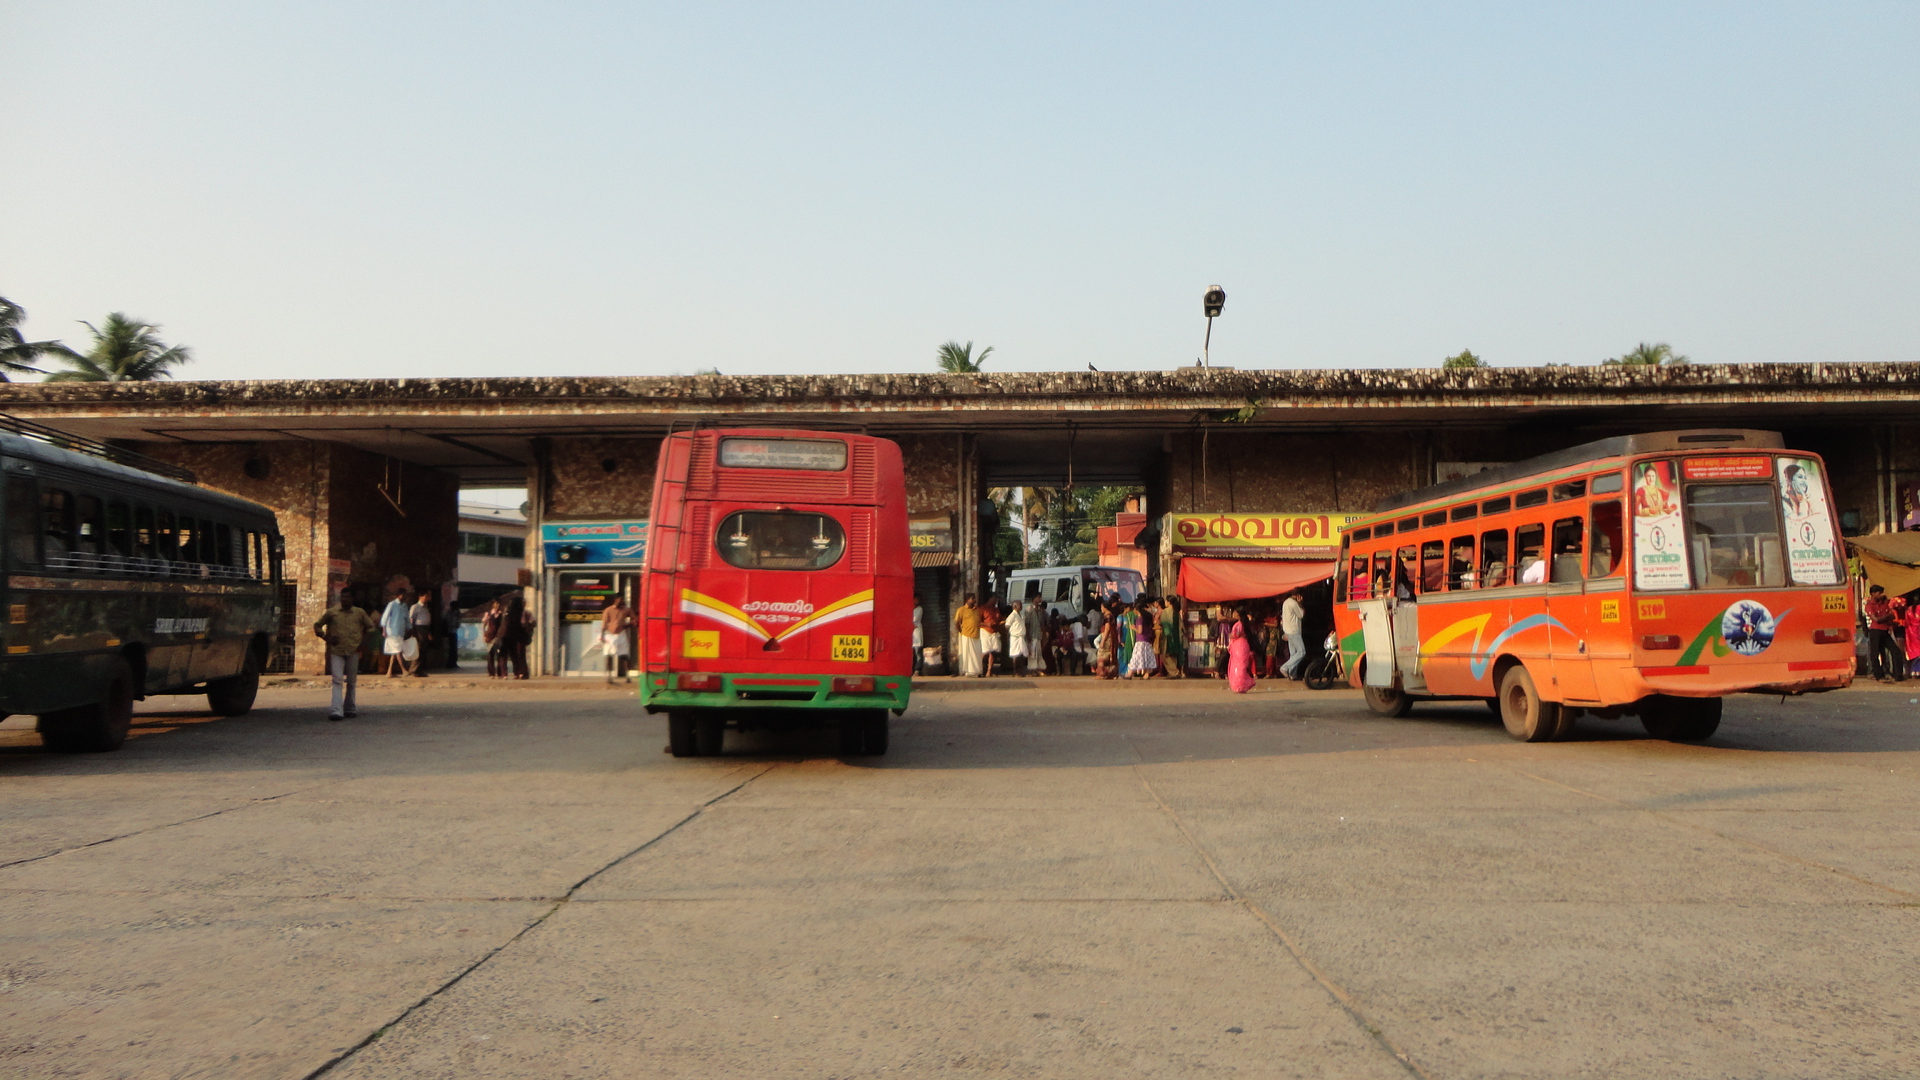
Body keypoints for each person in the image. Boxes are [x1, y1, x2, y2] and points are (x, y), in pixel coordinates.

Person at [313, 592, 377, 721]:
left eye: (348, 597)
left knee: (351, 682)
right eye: (343, 597)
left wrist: (363, 643)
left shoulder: (359, 613)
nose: (345, 600)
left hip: (354, 650)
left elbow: (371, 628)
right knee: (337, 680)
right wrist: (326, 637)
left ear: (353, 599)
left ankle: (350, 708)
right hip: (337, 651)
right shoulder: (332, 612)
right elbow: (317, 625)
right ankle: (337, 711)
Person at [1864, 585, 1905, 683]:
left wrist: (1887, 617)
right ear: (1873, 594)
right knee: (1875, 654)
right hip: (1875, 631)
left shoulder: (1884, 603)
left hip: (1885, 630)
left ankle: (1898, 674)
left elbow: (1891, 616)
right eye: (1879, 593)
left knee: (1896, 651)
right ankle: (1879, 675)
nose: (1881, 595)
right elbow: (1876, 619)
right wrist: (1887, 616)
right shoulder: (1870, 605)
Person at [600, 595, 632, 684]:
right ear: (616, 600)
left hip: (621, 634)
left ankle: (627, 676)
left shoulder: (626, 610)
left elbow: (634, 620)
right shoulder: (608, 610)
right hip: (610, 634)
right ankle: (609, 676)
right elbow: (604, 623)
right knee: (608, 655)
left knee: (624, 655)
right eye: (620, 599)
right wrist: (602, 635)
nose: (622, 601)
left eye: (623, 600)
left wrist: (627, 625)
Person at [380, 590, 412, 678]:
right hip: (392, 631)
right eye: (403, 595)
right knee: (397, 651)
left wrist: (409, 628)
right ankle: (403, 670)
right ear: (399, 595)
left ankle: (389, 672)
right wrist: (384, 629)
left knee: (395, 651)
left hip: (401, 632)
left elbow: (407, 618)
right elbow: (385, 617)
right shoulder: (392, 604)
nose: (405, 597)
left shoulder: (404, 606)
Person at [503, 592, 534, 680]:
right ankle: (519, 672)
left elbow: (532, 622)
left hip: (516, 636)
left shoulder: (524, 613)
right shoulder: (515, 613)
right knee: (517, 654)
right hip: (515, 636)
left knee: (518, 654)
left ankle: (521, 672)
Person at [1279, 590, 1309, 681]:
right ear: (1298, 596)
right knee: (1301, 652)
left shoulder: (1286, 602)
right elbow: (1301, 614)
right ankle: (1285, 667)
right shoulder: (1294, 603)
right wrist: (1300, 604)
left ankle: (1293, 674)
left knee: (1294, 654)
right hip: (1294, 631)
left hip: (1288, 631)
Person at [952, 594, 983, 677]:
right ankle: (969, 671)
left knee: (976, 654)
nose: (974, 600)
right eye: (972, 599)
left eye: (974, 598)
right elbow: (956, 622)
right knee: (967, 654)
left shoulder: (976, 610)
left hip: (976, 634)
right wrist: (961, 632)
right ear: (967, 600)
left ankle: (977, 671)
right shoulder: (961, 610)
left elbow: (978, 622)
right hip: (966, 635)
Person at [1227, 610, 1257, 694]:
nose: (1233, 614)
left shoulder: (1238, 624)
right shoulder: (1245, 624)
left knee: (1237, 667)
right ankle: (1243, 685)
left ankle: (1239, 685)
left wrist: (1230, 635)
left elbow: (1235, 635)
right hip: (1243, 645)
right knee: (1242, 667)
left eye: (1235, 613)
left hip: (1238, 646)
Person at [407, 591, 435, 676]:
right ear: (420, 597)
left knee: (423, 650)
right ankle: (414, 669)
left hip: (425, 628)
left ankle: (419, 669)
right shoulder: (415, 607)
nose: (428, 598)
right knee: (419, 649)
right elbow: (411, 619)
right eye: (426, 596)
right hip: (418, 629)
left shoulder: (426, 608)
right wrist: (412, 632)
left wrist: (428, 632)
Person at [1157, 599, 1184, 679]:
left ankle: (1174, 672)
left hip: (1168, 636)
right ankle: (1174, 672)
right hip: (1177, 636)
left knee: (1165, 655)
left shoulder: (1165, 611)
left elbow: (1163, 624)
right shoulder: (1176, 612)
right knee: (1173, 655)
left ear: (1169, 602)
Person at [1005, 594, 1030, 675]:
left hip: (1021, 637)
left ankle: (1021, 670)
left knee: (1022, 654)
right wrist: (1008, 635)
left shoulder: (1021, 615)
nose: (1021, 606)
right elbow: (1007, 626)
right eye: (1020, 605)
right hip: (1015, 637)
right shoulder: (1012, 615)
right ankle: (1015, 671)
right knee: (1015, 654)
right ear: (1015, 606)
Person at [481, 597, 506, 678]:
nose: (498, 605)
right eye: (496, 604)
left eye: (499, 604)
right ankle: (491, 672)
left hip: (499, 636)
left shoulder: (501, 614)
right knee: (490, 655)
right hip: (490, 636)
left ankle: (500, 673)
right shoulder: (488, 614)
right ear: (493, 605)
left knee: (500, 654)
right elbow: (484, 625)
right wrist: (484, 635)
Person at [980, 598, 1004, 677]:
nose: (995, 601)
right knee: (985, 651)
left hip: (994, 632)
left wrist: (1002, 623)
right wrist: (987, 625)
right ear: (989, 599)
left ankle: (989, 671)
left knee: (993, 652)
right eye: (994, 600)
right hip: (985, 631)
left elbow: (999, 619)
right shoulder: (983, 609)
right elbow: (978, 621)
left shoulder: (996, 609)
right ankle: (979, 669)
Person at [1025, 597, 1049, 676]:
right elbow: (1027, 624)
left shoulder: (1039, 611)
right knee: (1032, 654)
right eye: (1038, 598)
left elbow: (1042, 623)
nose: (1040, 600)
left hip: (1038, 635)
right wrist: (1028, 636)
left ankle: (1038, 669)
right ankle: (1033, 670)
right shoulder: (1029, 609)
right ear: (1034, 598)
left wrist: (1044, 633)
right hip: (1032, 635)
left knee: (1038, 653)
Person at [441, 594, 463, 670]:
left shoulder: (456, 613)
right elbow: (450, 623)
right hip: (450, 632)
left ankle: (454, 662)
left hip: (454, 631)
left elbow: (459, 620)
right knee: (451, 649)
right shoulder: (450, 613)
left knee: (454, 648)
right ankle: (450, 663)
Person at [911, 599, 924, 676]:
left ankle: (917, 670)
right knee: (910, 653)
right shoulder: (908, 608)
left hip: (916, 631)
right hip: (910, 633)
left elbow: (915, 619)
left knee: (917, 652)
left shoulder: (919, 609)